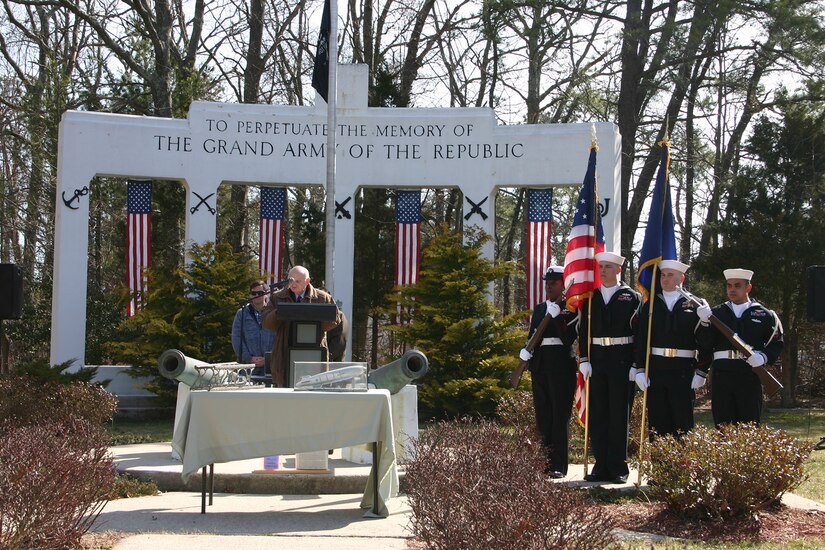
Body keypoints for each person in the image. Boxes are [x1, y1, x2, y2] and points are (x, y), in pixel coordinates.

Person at [578, 251, 640, 483]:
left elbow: (638, 333)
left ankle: (618, 467)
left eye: (607, 267)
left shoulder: (631, 297)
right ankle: (600, 464)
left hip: (621, 360)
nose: (602, 270)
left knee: (618, 414)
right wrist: (584, 359)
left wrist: (636, 365)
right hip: (597, 360)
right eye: (600, 267)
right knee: (598, 414)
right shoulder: (590, 297)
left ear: (618, 270)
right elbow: (583, 331)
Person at [695, 268, 783, 426]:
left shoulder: (764, 314)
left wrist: (763, 356)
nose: (732, 289)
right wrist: (704, 323)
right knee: (723, 426)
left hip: (749, 375)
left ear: (748, 288)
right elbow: (705, 344)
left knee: (749, 426)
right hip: (723, 375)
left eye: (737, 285)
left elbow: (776, 343)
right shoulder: (716, 313)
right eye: (729, 286)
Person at [633, 260, 708, 438]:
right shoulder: (651, 304)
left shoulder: (695, 304)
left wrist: (702, 371)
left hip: (683, 370)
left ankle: (681, 465)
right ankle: (659, 465)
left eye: (670, 275)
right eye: (663, 275)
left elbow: (705, 342)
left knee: (683, 423)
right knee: (658, 424)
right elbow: (642, 337)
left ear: (681, 278)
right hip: (657, 369)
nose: (665, 279)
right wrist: (640, 369)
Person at [519, 266, 578, 478]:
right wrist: (526, 351)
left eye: (553, 283)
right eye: (547, 283)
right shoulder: (539, 308)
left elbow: (568, 339)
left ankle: (559, 465)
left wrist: (557, 317)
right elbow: (533, 334)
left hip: (561, 366)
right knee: (543, 416)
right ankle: (543, 462)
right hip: (541, 366)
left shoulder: (570, 309)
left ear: (563, 285)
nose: (548, 286)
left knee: (559, 417)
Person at [262, 265, 341, 387]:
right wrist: (280, 312)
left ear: (307, 281)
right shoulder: (277, 298)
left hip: (313, 355)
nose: (293, 284)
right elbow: (266, 322)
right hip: (283, 355)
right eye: (291, 280)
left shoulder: (322, 298)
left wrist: (316, 317)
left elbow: (335, 319)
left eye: (298, 281)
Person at [231, 280, 276, 377]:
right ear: (250, 295)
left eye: (260, 293)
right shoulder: (241, 313)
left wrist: (269, 358)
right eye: (253, 293)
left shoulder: (274, 313)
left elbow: (280, 337)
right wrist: (249, 358)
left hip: (271, 367)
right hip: (248, 367)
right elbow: (236, 338)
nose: (256, 295)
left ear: (266, 294)